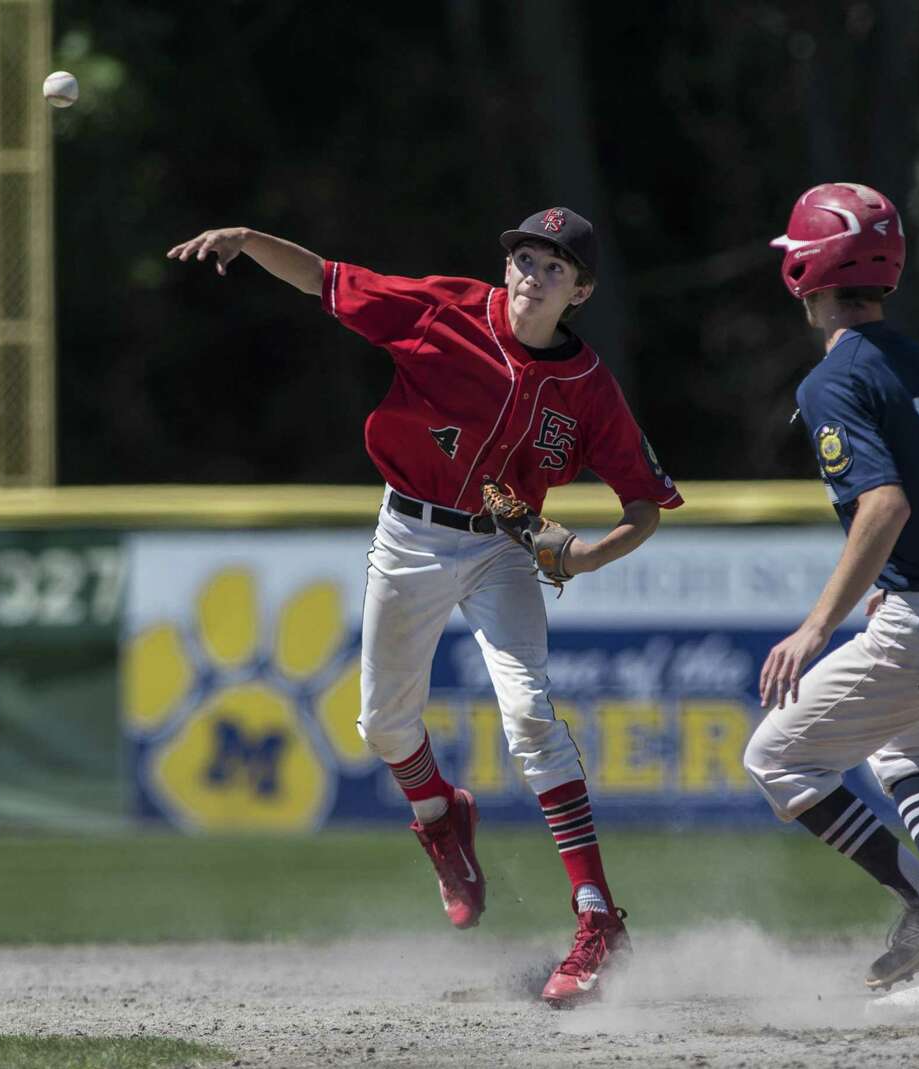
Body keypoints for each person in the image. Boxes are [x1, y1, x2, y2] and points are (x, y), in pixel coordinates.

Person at [167, 207, 683, 1006]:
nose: (530, 274)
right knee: (381, 725)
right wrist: (245, 240)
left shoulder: (591, 391)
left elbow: (645, 506)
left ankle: (597, 919)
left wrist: (583, 556)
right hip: (409, 531)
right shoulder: (445, 310)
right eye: (524, 256)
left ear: (579, 290)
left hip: (503, 550)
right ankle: (442, 819)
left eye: (553, 267)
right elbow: (325, 277)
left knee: (530, 716)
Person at [745, 182, 919, 1001]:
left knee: (776, 757)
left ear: (805, 268)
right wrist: (907, 575)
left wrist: (816, 625)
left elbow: (886, 504)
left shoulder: (830, 381)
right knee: (904, 751)